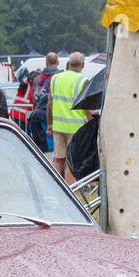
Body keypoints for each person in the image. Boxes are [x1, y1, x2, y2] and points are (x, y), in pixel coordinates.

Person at [48, 52, 90, 182]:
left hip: (58, 126)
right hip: (76, 128)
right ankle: (69, 191)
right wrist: (91, 124)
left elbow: (50, 104)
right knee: (72, 163)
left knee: (58, 160)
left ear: (69, 63)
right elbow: (86, 107)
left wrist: (50, 125)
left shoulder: (55, 78)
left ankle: (50, 187)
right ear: (82, 65)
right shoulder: (83, 80)